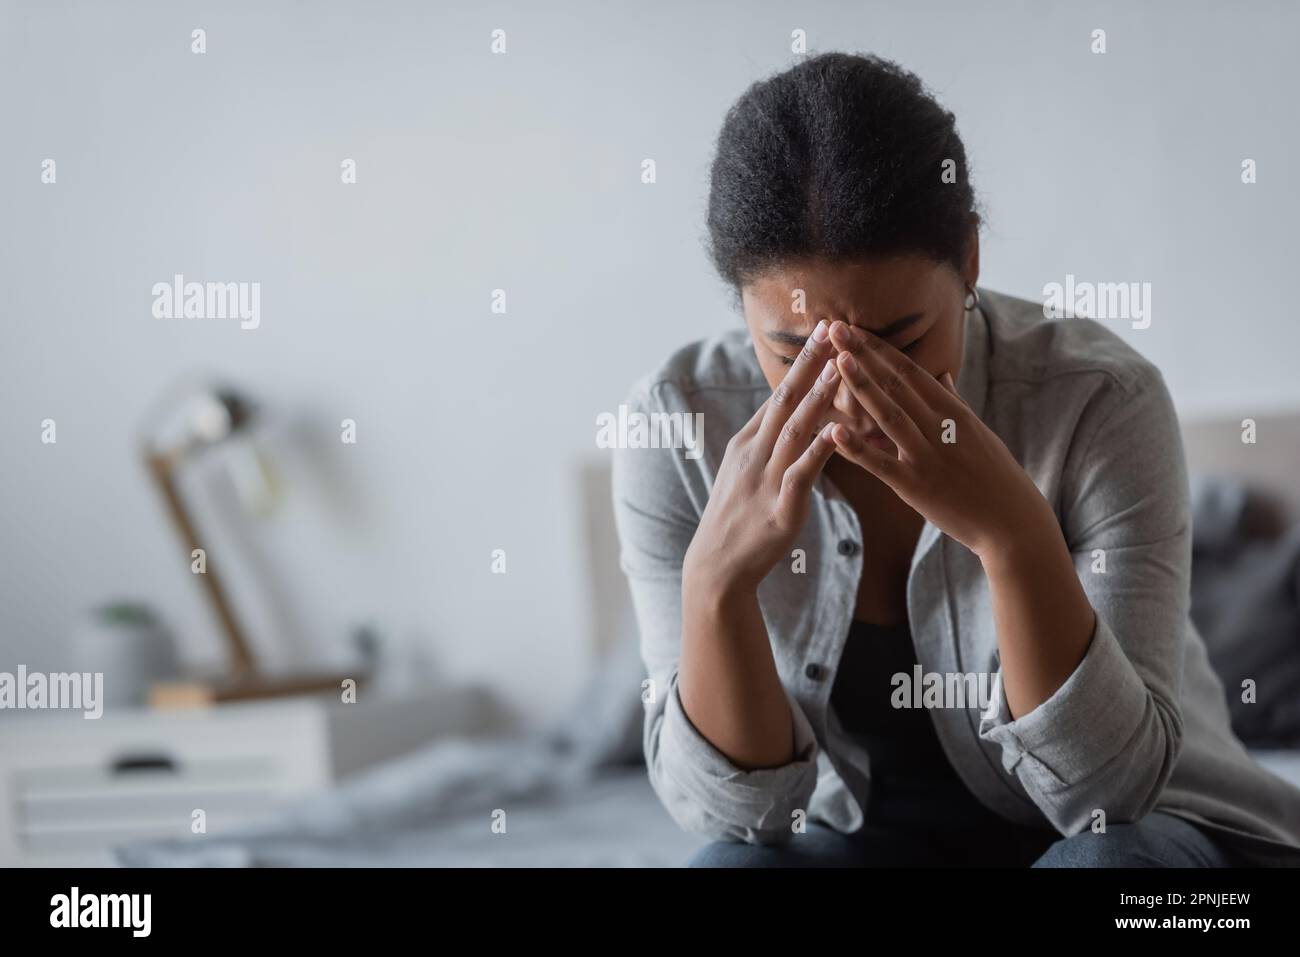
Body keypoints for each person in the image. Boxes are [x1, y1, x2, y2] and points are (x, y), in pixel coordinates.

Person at [610, 52, 1300, 867]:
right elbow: (736, 817)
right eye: (793, 350)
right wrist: (715, 584)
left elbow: (1112, 797)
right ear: (740, 302)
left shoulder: (1097, 400)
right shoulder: (679, 425)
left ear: (969, 258)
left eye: (902, 340)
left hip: (1159, 840)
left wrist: (1014, 536)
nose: (849, 386)